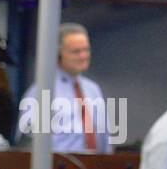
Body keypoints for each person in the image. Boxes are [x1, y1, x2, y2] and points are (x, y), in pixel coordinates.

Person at [16, 23, 111, 153]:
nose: (83, 56)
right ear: (58, 54)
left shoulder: (93, 89)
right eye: (76, 51)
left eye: (86, 49)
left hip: (95, 168)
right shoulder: (42, 91)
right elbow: (27, 144)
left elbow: (104, 138)